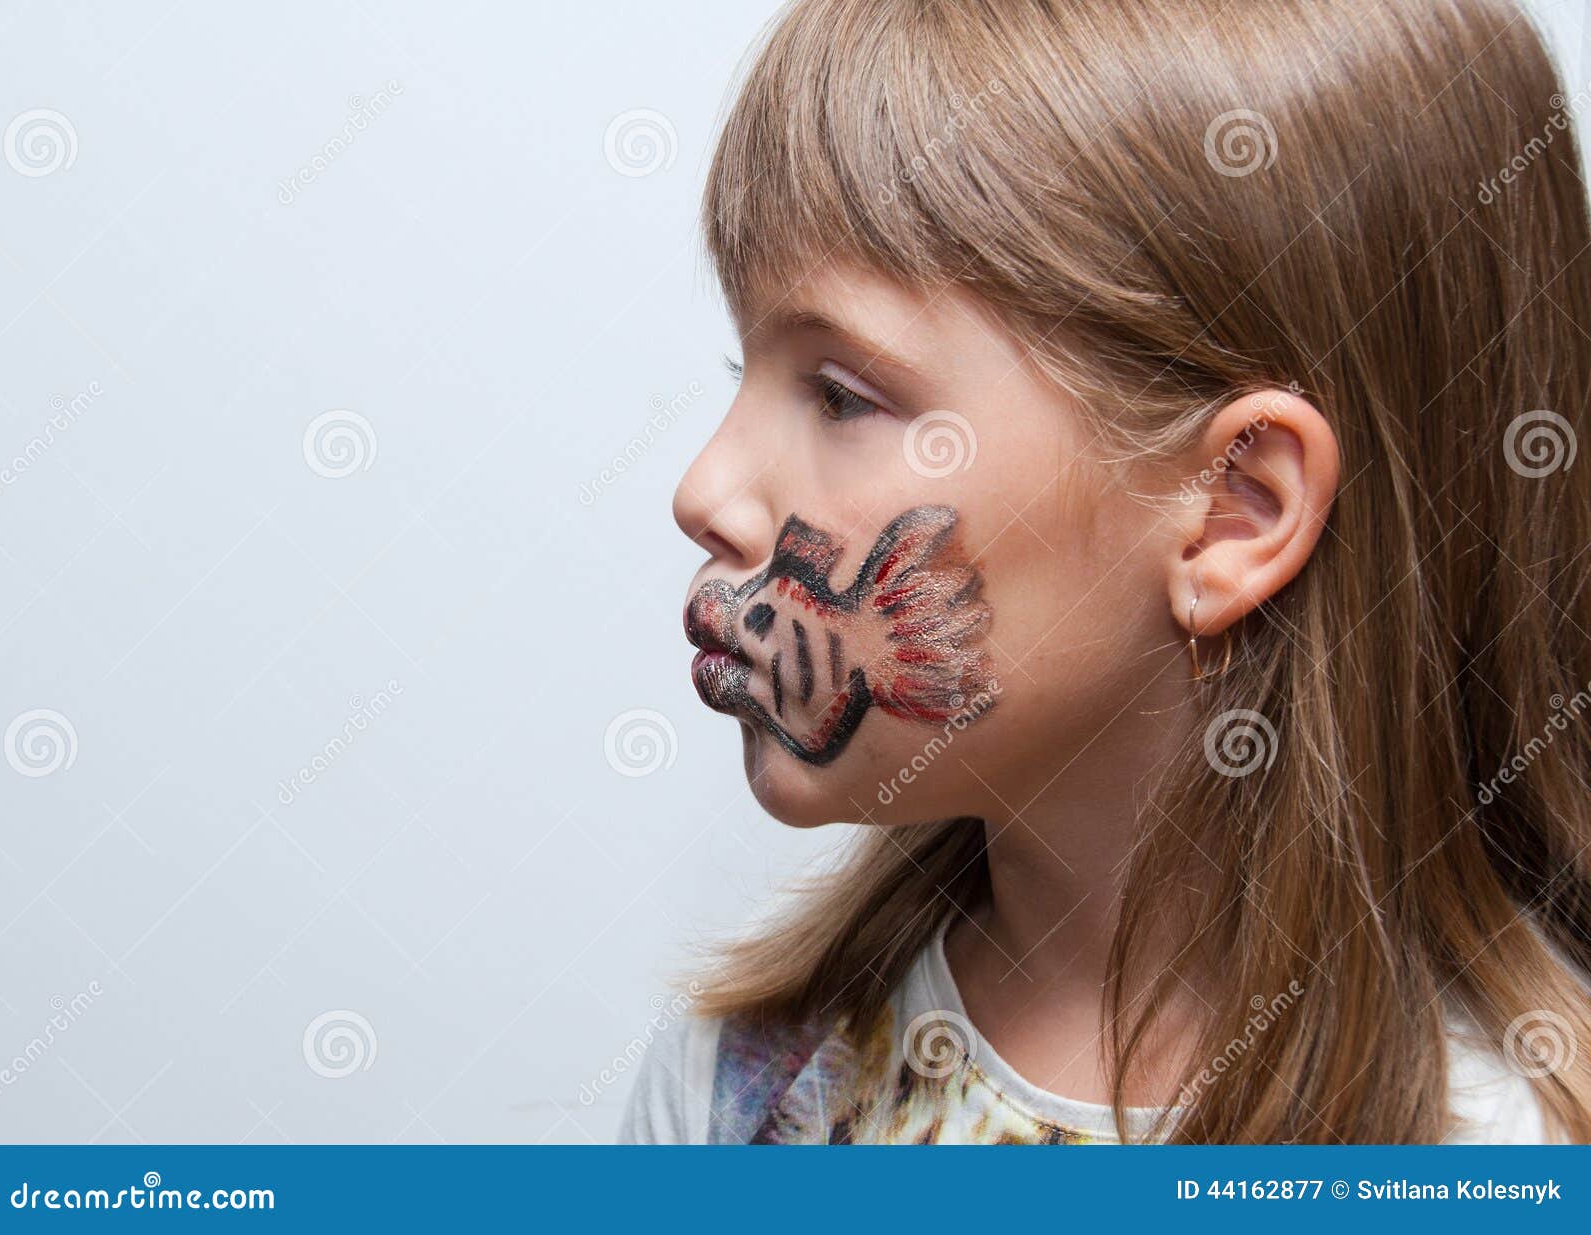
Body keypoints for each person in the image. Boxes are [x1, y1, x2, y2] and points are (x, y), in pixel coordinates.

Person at [628, 0, 1591, 1143]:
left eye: (840, 395)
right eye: (746, 365)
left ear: (1235, 509)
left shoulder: (1503, 1141)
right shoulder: (746, 1092)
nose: (703, 488)